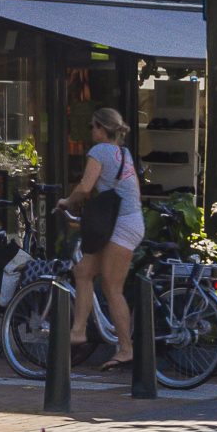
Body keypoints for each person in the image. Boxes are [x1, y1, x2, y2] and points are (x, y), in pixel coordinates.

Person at [66, 106, 142, 369]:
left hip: (120, 225)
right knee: (84, 270)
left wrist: (66, 201)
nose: (91, 131)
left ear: (101, 128)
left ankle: (126, 348)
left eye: (92, 126)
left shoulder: (99, 151)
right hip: (127, 221)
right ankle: (78, 331)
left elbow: (85, 187)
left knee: (112, 287)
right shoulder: (124, 152)